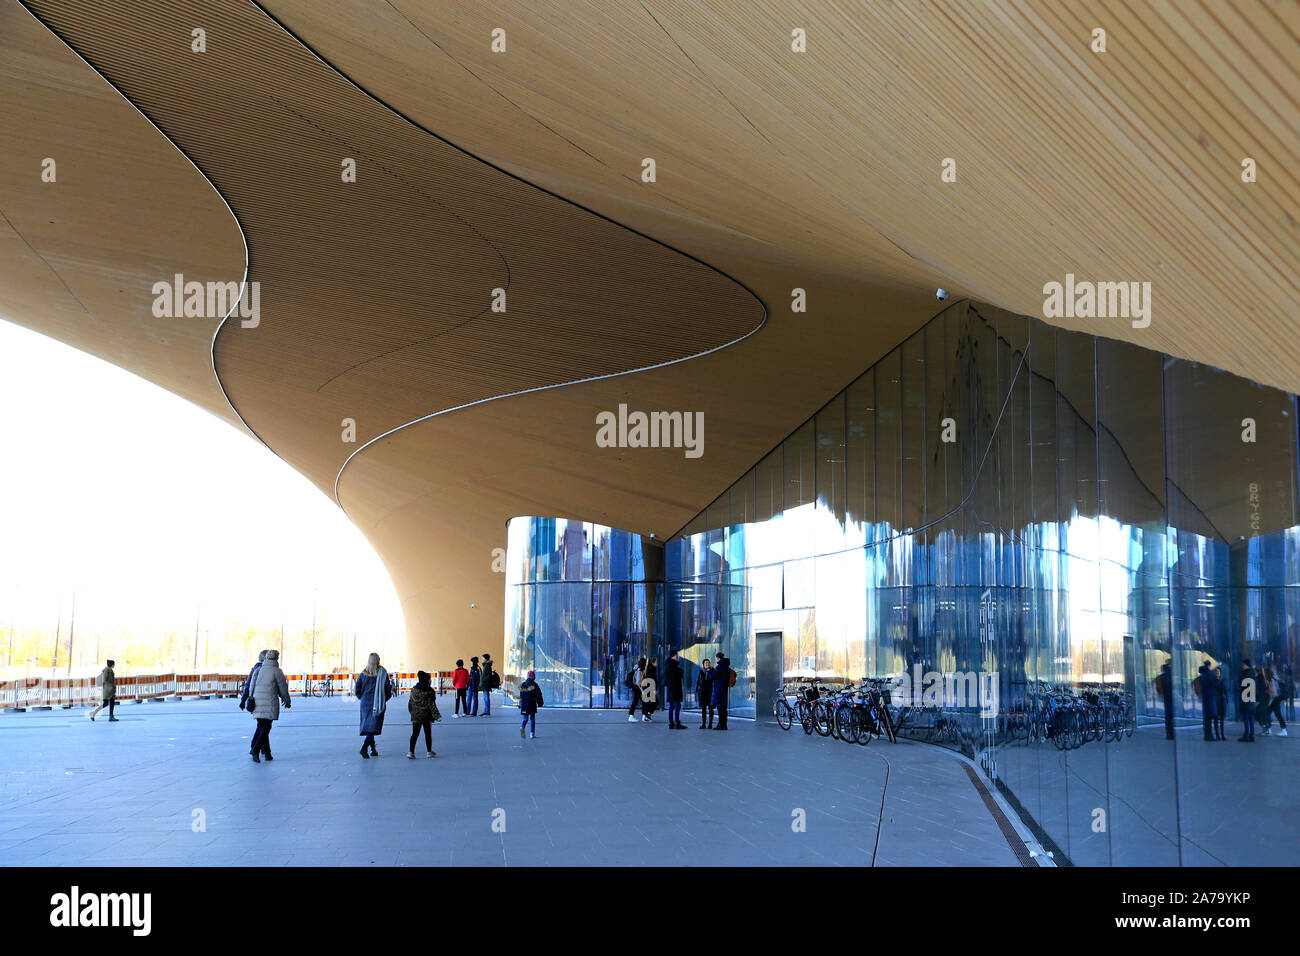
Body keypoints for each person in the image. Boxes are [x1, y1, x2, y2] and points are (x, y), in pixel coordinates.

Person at [247, 649, 291, 762]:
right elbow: (283, 689)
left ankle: (267, 753)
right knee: (266, 728)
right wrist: (287, 701)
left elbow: (251, 686)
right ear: (277, 658)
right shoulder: (277, 671)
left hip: (257, 702)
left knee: (262, 727)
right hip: (269, 702)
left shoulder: (258, 670)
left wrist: (250, 698)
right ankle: (256, 750)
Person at [355, 652, 394, 757]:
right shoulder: (382, 673)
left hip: (365, 703)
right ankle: (364, 748)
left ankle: (373, 750)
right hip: (377, 702)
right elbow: (388, 689)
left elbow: (357, 688)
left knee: (369, 727)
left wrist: (361, 697)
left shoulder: (363, 674)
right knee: (372, 727)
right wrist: (384, 699)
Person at [406, 670, 440, 758]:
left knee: (414, 734)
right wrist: (436, 715)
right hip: (426, 716)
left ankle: (411, 752)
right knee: (428, 733)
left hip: (416, 715)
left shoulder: (414, 690)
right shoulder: (430, 691)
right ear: (427, 680)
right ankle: (429, 752)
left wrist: (412, 712)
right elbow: (432, 705)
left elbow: (410, 703)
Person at [663, 651, 686, 729]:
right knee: (677, 706)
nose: (677, 657)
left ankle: (671, 723)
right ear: (672, 656)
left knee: (672, 706)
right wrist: (680, 672)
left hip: (671, 688)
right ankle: (676, 723)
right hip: (675, 688)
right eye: (676, 655)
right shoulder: (672, 666)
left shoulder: (667, 666)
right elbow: (679, 673)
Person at [1262, 667, 1287, 736]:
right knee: (1277, 715)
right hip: (1277, 699)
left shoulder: (1270, 680)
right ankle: (1283, 730)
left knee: (1267, 713)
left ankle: (1269, 730)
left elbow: (1273, 692)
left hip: (1274, 699)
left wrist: (1267, 691)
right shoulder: (1276, 678)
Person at [518, 669, 544, 739]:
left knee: (525, 719)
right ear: (533, 677)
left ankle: (522, 727)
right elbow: (539, 695)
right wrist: (540, 703)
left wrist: (520, 704)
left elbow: (521, 696)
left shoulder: (523, 684)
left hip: (524, 704)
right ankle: (532, 734)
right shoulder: (535, 685)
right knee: (532, 719)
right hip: (532, 704)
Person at [1197, 660, 1219, 741]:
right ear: (1209, 665)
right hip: (1210, 697)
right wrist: (1218, 680)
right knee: (1210, 717)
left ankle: (1206, 735)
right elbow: (1214, 685)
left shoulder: (1202, 675)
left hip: (1205, 697)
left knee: (1206, 717)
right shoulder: (1210, 674)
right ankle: (1210, 736)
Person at [712, 653, 731, 730]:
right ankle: (724, 724)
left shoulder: (719, 667)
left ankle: (720, 724)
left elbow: (714, 676)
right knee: (724, 708)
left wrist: (709, 672)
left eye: (716, 658)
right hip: (724, 689)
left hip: (719, 689)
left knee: (720, 708)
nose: (716, 660)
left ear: (718, 658)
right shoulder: (726, 666)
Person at [1238, 660, 1256, 742]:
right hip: (1252, 699)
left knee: (1246, 718)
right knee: (1251, 718)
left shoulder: (1243, 674)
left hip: (1245, 699)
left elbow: (1240, 685)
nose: (1242, 666)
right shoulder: (1253, 674)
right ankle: (1252, 735)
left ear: (1246, 665)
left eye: (1243, 665)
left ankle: (1246, 735)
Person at [695, 658, 715, 729]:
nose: (707, 664)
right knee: (703, 709)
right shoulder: (701, 671)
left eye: (708, 663)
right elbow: (698, 682)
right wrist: (697, 690)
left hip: (710, 693)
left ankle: (710, 724)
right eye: (706, 663)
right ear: (703, 664)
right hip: (703, 693)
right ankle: (703, 724)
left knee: (710, 709)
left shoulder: (713, 671)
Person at [1158, 660, 1174, 740]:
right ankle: (1171, 733)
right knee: (1171, 715)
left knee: (1168, 716)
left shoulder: (1163, 675)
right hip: (1171, 696)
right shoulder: (1171, 674)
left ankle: (1168, 733)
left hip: (1166, 696)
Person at [626, 656, 646, 722]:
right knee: (641, 701)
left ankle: (632, 716)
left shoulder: (636, 668)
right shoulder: (640, 670)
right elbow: (638, 682)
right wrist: (642, 690)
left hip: (636, 687)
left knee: (636, 701)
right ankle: (643, 716)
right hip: (637, 688)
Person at [640, 657, 659, 722]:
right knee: (652, 702)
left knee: (650, 702)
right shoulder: (650, 669)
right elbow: (651, 680)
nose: (657, 663)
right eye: (656, 662)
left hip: (649, 688)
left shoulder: (652, 668)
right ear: (653, 662)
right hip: (649, 688)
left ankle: (647, 715)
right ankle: (646, 715)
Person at [1213, 666, 1228, 741]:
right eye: (1216, 672)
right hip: (1216, 701)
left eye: (1218, 672)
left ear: (1220, 673)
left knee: (1222, 719)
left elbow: (1225, 690)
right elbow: (1215, 687)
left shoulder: (1223, 680)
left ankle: (1222, 735)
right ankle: (1217, 735)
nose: (1217, 673)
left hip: (1222, 701)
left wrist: (1227, 699)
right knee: (1216, 719)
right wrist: (1219, 680)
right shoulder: (1214, 680)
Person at [480, 653, 496, 717]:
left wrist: (483, 679)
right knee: (485, 698)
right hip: (485, 685)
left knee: (486, 698)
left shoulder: (487, 666)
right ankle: (486, 711)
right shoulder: (486, 665)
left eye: (483, 658)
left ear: (486, 659)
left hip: (486, 685)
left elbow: (489, 676)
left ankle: (487, 712)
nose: (482, 659)